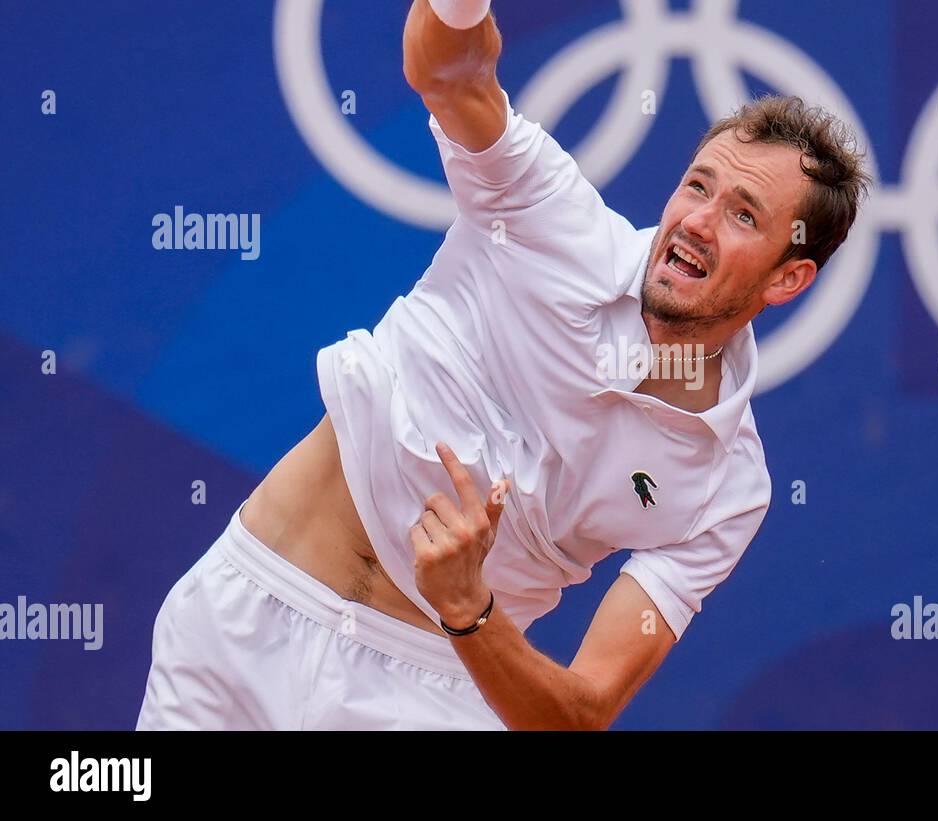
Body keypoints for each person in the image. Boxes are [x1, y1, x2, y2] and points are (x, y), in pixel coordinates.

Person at [136, 0, 869, 730]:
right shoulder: (548, 218)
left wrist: (468, 609)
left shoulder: (728, 487)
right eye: (699, 185)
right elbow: (452, 76)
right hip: (243, 623)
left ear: (787, 278)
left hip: (431, 698)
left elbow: (581, 712)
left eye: (744, 215)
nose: (698, 221)